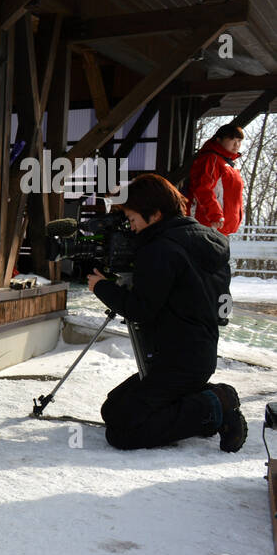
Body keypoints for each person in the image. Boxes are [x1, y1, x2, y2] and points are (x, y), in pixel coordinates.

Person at [86, 173, 245, 452]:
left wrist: (102, 288)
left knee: (123, 432)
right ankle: (207, 398)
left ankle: (213, 406)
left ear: (156, 215)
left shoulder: (160, 249)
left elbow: (140, 310)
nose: (131, 229)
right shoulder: (205, 239)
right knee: (113, 409)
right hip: (197, 355)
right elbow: (221, 305)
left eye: (133, 220)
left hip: (177, 360)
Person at [186, 123, 245, 235]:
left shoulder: (230, 164)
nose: (236, 144)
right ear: (218, 140)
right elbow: (203, 189)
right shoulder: (211, 159)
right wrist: (215, 215)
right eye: (232, 140)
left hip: (221, 228)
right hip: (208, 224)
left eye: (239, 141)